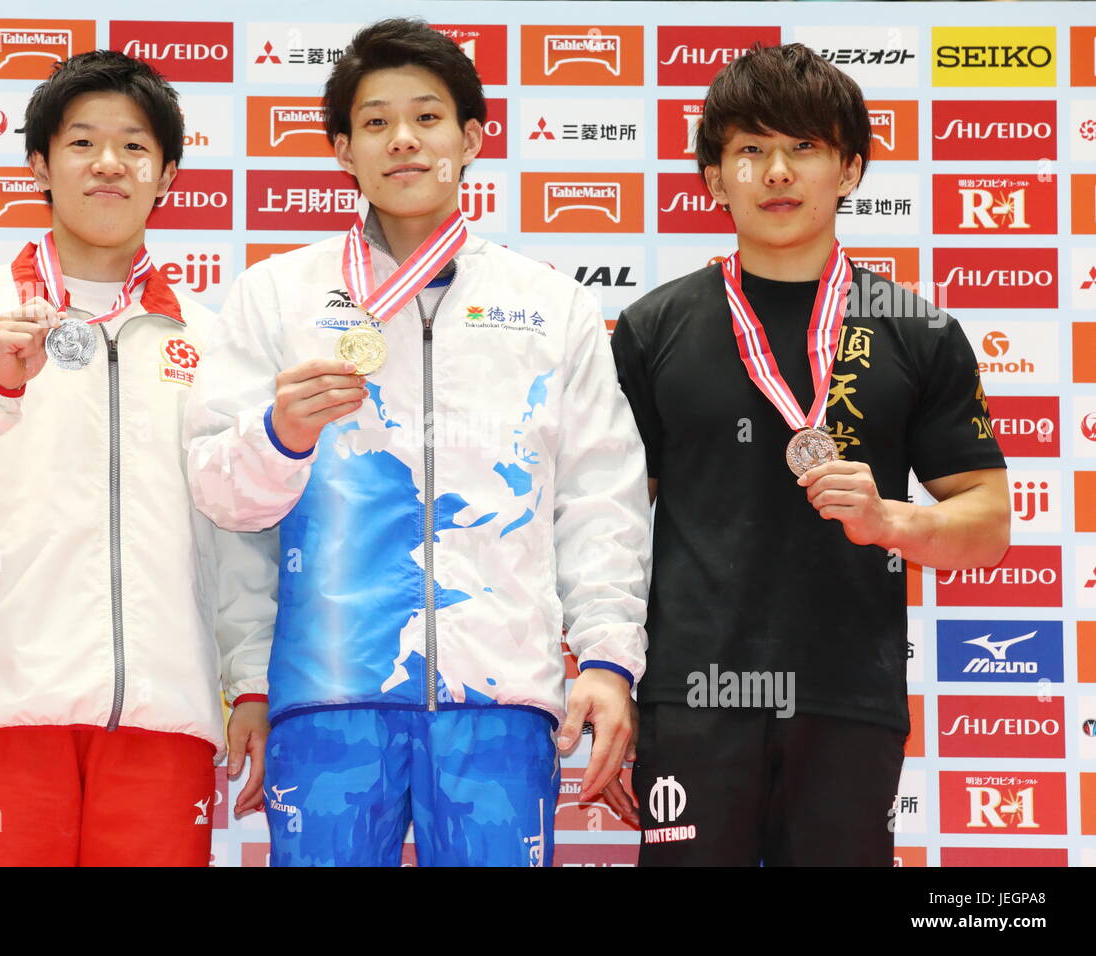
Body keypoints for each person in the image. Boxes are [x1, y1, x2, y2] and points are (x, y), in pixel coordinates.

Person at [185, 17, 650, 867]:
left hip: (500, 698)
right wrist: (280, 437)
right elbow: (222, 497)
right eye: (375, 122)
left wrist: (611, 660)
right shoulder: (275, 297)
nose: (403, 140)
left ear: (472, 139)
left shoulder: (550, 305)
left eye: (428, 117)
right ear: (341, 149)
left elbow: (601, 497)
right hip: (326, 696)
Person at [0, 50, 268, 866]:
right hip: (8, 709)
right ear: (38, 163)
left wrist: (249, 680)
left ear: (168, 174)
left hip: (166, 718)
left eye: (135, 146)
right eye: (81, 142)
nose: (108, 163)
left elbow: (240, 530)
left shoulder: (211, 339)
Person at [608, 43, 1009, 866]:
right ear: (715, 179)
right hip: (693, 698)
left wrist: (890, 519)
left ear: (850, 169)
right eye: (750, 150)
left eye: (804, 147)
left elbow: (989, 523)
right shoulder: (652, 329)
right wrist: (610, 675)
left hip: (848, 697)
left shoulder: (917, 330)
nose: (777, 171)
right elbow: (605, 526)